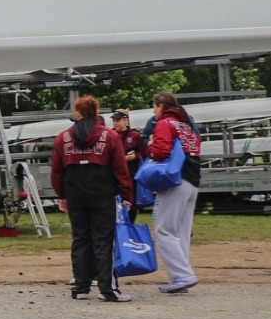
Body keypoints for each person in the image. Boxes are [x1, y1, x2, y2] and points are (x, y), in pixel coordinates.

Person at [49, 96, 134, 302]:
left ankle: (81, 288)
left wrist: (62, 195)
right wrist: (127, 194)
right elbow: (120, 169)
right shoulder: (110, 136)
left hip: (75, 194)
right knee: (104, 240)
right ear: (96, 113)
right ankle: (108, 289)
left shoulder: (63, 138)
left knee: (80, 239)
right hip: (102, 194)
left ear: (77, 113)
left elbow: (56, 171)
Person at [147, 91, 202, 294]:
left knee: (164, 230)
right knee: (181, 231)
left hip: (174, 180)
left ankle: (182, 275)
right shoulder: (187, 124)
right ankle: (181, 276)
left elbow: (161, 151)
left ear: (161, 106)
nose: (154, 111)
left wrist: (149, 148)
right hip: (193, 180)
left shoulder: (165, 123)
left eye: (154, 107)